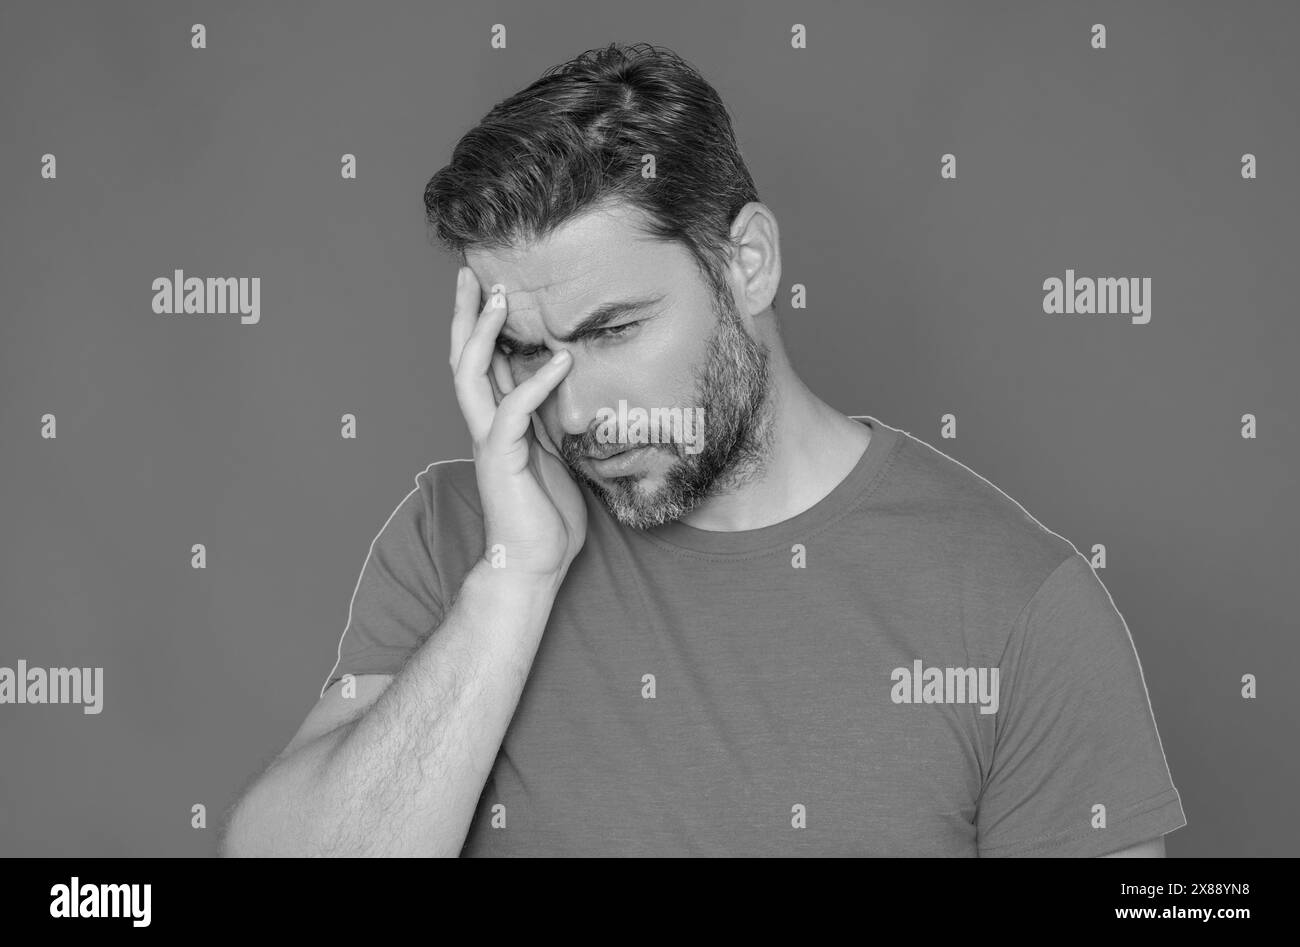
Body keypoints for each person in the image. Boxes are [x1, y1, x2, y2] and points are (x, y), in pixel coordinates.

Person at [221, 42, 1186, 857]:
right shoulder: (457, 536)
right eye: (524, 350)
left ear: (747, 264)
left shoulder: (1020, 607)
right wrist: (513, 582)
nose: (578, 412)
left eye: (613, 330)